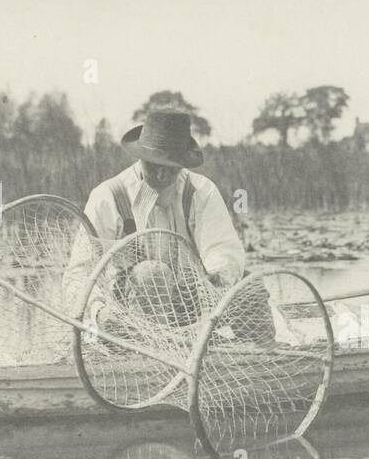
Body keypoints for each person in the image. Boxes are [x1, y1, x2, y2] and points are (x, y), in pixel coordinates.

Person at [63, 110, 246, 330]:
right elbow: (79, 272)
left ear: (182, 163)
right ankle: (150, 352)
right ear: (140, 158)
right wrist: (99, 311)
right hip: (125, 314)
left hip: (191, 307)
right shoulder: (108, 196)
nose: (161, 176)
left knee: (251, 286)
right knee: (152, 274)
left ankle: (263, 355)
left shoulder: (202, 191)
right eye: (153, 166)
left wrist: (214, 277)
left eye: (170, 168)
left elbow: (223, 250)